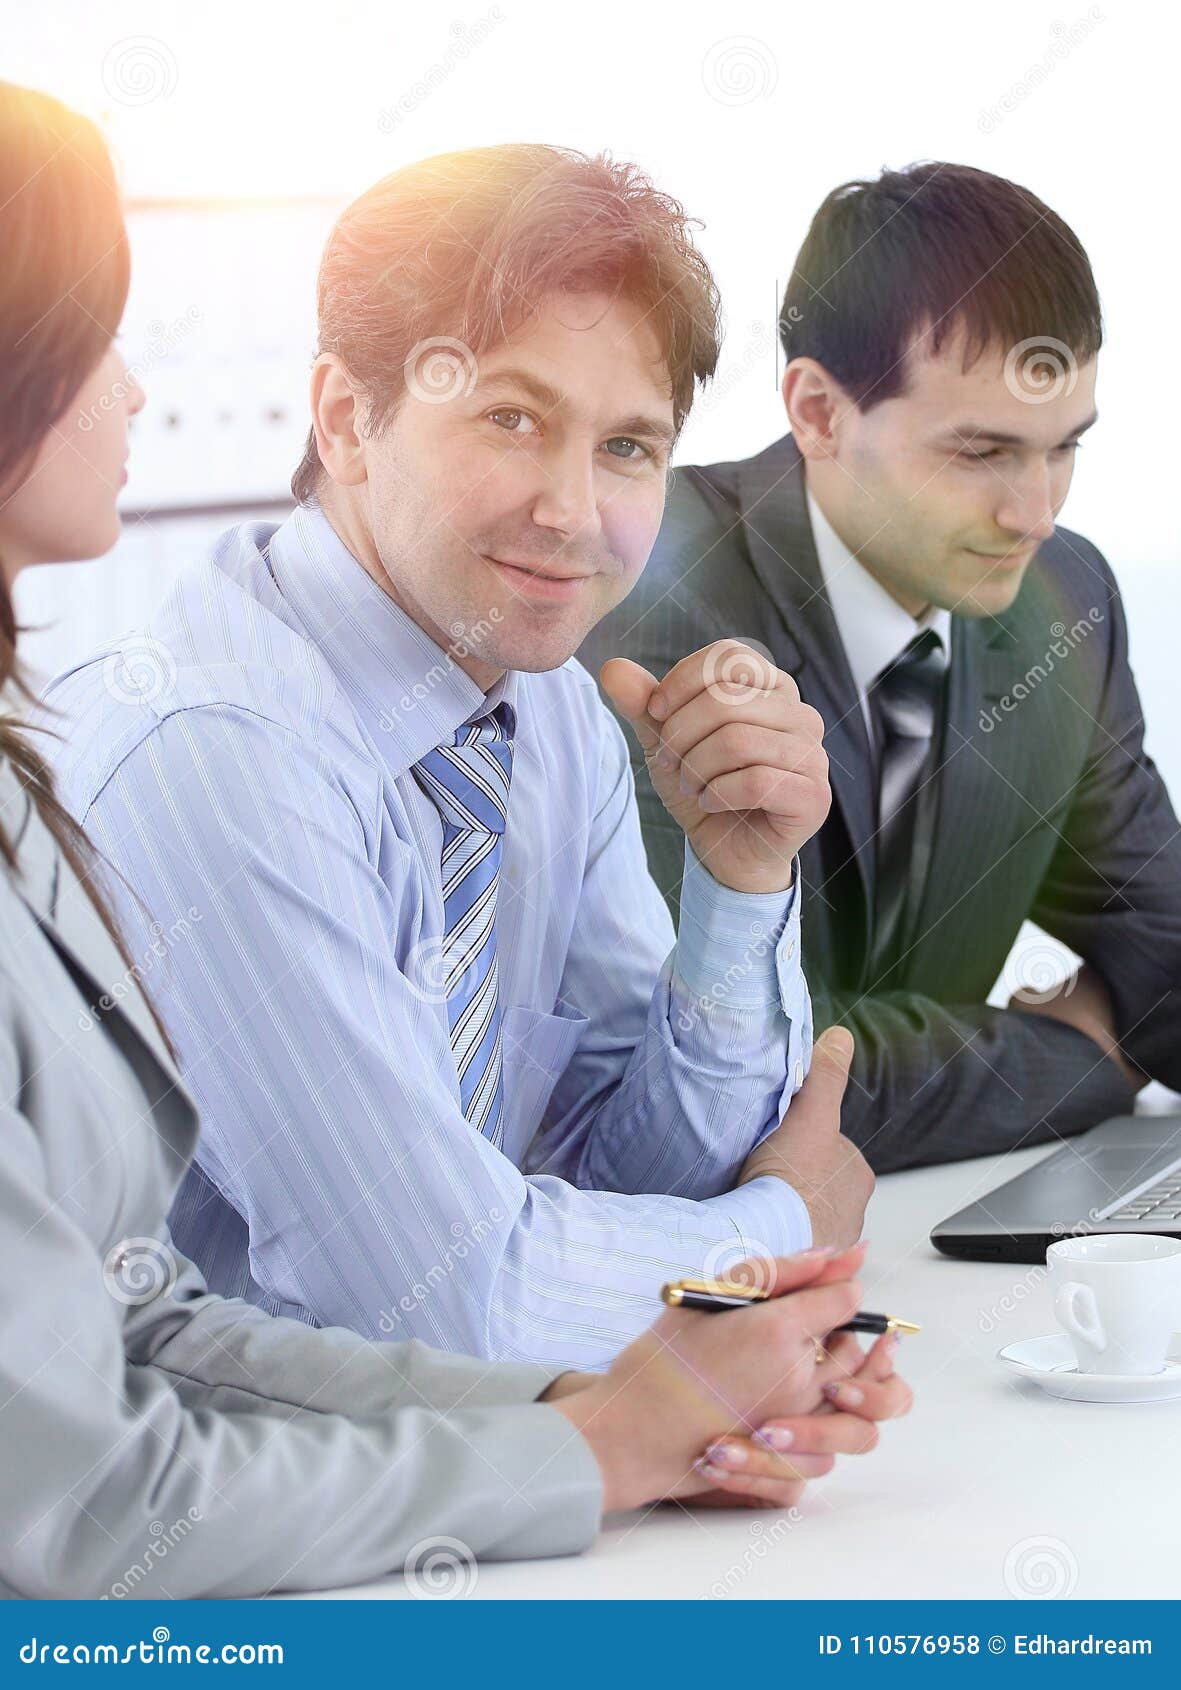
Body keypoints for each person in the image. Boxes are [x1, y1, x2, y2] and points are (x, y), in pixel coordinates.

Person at [0, 81, 911, 1601]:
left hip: (399, 1491)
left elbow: (622, 1161)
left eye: (628, 448)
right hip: (271, 1546)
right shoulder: (221, 747)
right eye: (510, 418)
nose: (572, 509)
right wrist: (778, 1243)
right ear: (345, 416)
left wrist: (741, 887)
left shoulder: (532, 695)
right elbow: (446, 1295)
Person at [581, 161, 1181, 1175]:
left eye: (1061, 449)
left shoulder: (1062, 601)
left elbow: (1162, 949)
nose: (1034, 513)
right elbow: (746, 1065)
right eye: (981, 453)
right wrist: (1080, 1058)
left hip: (918, 1232)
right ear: (816, 412)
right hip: (688, 1269)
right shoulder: (641, 597)